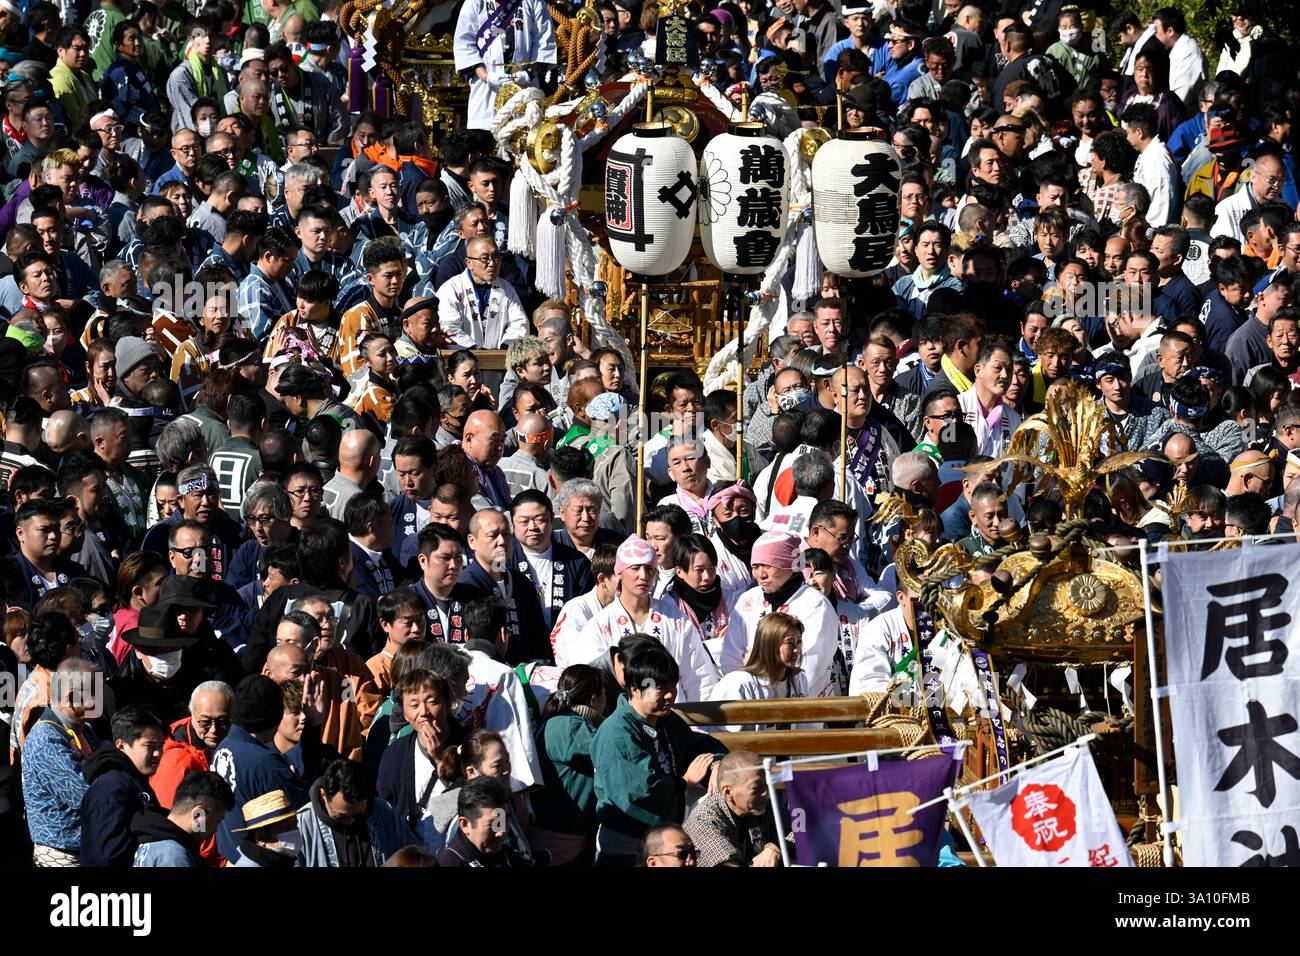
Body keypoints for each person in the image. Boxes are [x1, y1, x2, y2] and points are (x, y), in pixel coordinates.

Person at [591, 641, 725, 866]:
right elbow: (638, 792)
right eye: (661, 688)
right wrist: (684, 783)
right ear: (635, 689)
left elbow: (701, 745)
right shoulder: (617, 731)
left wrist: (716, 763)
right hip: (626, 847)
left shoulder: (668, 721)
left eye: (673, 686)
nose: (671, 695)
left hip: (664, 844)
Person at [722, 530, 839, 697]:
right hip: (749, 699)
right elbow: (730, 659)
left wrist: (757, 667)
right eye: (755, 567)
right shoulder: (747, 600)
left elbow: (810, 667)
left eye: (768, 566)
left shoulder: (816, 604)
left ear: (788, 565)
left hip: (799, 705)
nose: (761, 574)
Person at [21, 657, 100, 866]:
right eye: (92, 695)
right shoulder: (45, 739)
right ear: (72, 697)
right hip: (61, 854)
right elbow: (82, 795)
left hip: (87, 847)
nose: (96, 703)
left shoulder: (85, 730)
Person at [530, 664, 605, 866]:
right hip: (560, 841)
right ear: (594, 699)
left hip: (556, 834)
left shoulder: (558, 721)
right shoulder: (570, 727)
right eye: (604, 694)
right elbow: (612, 754)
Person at [79, 705, 167, 868]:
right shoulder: (110, 787)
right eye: (149, 746)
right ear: (121, 746)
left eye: (160, 746)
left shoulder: (137, 781)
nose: (157, 754)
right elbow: (109, 855)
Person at [296, 758, 414, 867]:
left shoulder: (382, 811)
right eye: (341, 817)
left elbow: (413, 855)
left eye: (358, 816)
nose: (350, 822)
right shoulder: (302, 823)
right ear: (324, 795)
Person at [683, 750, 781, 867]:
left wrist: (774, 849)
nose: (765, 793)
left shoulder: (762, 805)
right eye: (756, 788)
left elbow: (801, 828)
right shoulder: (704, 819)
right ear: (728, 791)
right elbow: (729, 864)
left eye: (767, 785)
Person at [132, 770, 234, 867]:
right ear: (198, 815)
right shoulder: (173, 856)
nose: (215, 829)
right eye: (217, 821)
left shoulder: (151, 839)